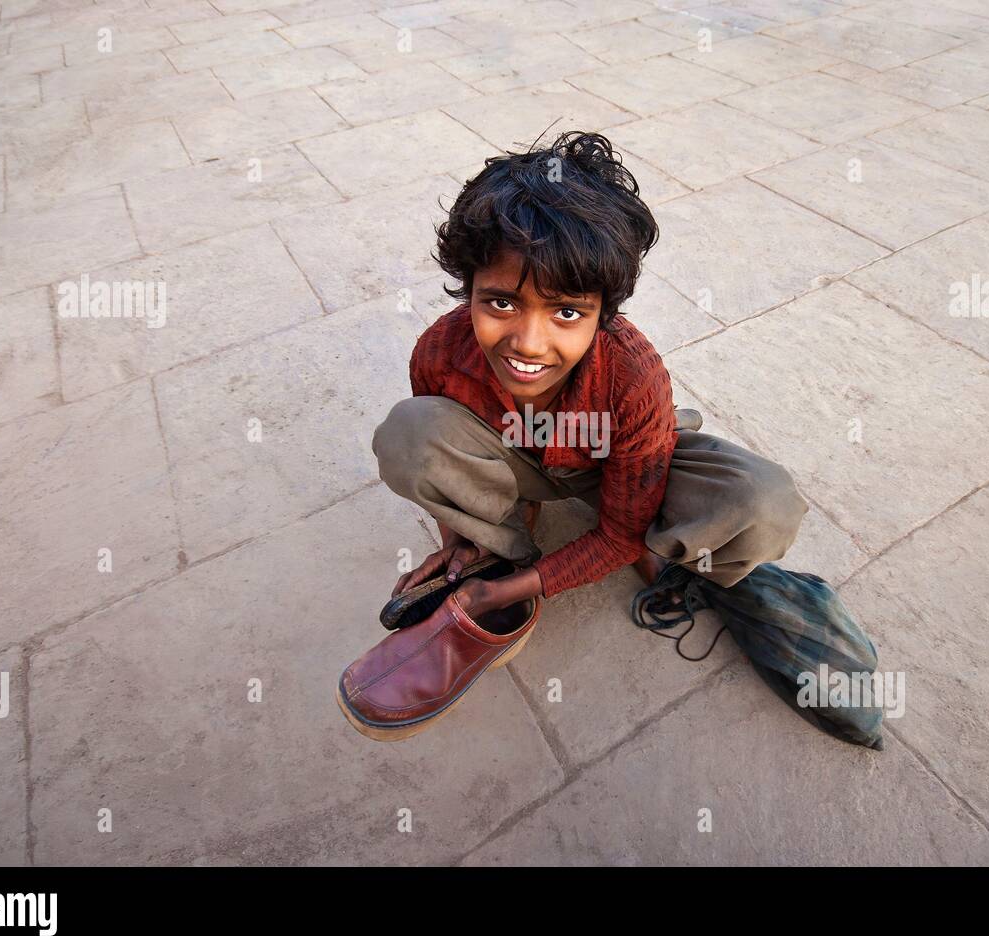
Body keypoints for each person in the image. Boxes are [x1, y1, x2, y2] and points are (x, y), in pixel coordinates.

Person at [338, 131, 809, 740]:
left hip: (611, 460)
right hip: (516, 455)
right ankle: (501, 538)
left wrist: (514, 591)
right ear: (469, 287)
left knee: (762, 502)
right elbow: (435, 444)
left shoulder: (633, 374)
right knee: (410, 432)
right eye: (501, 302)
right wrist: (458, 536)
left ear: (603, 312)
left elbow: (617, 537)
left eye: (566, 312)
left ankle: (659, 551)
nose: (529, 344)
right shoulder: (441, 348)